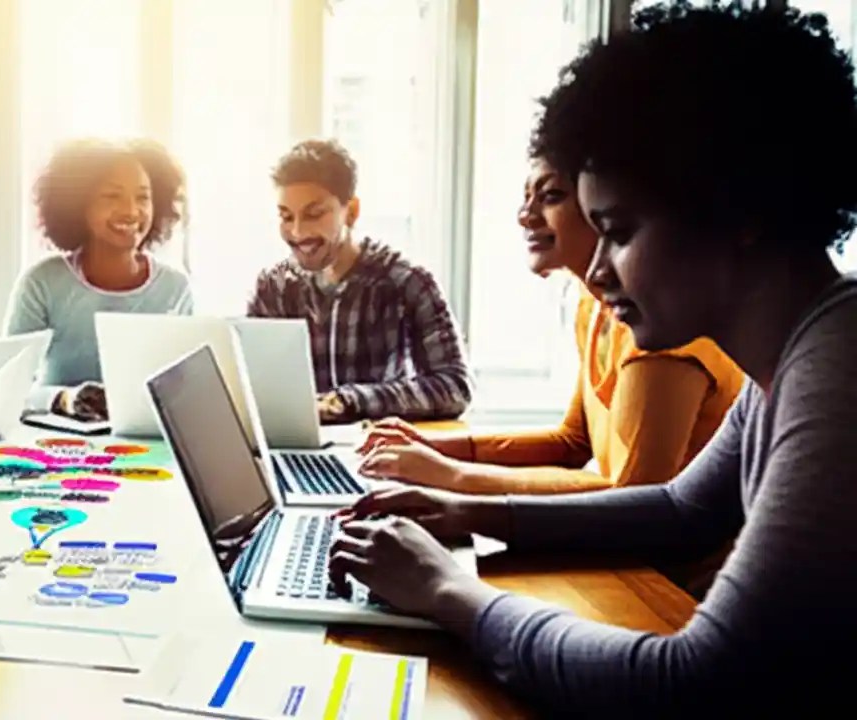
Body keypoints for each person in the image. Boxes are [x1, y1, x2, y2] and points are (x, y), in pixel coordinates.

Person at [328, 3, 857, 714]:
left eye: (621, 232)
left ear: (739, 213)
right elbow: (680, 509)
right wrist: (467, 511)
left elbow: (699, 681)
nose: (600, 270)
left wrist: (450, 592)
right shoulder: (792, 356)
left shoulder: (839, 372)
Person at [355, 156, 744, 494]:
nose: (525, 215)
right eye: (526, 197)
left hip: (666, 577)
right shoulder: (593, 308)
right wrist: (435, 449)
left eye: (551, 196)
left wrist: (454, 476)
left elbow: (635, 495)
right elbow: (572, 443)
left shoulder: (661, 329)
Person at [247, 139, 472, 424]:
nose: (297, 231)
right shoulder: (272, 288)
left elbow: (455, 388)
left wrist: (346, 401)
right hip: (297, 456)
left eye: (314, 214)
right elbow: (249, 388)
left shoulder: (408, 283)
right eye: (286, 216)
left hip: (382, 455)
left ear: (351, 211)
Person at [5, 137, 193, 421]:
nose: (131, 211)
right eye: (112, 196)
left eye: (143, 197)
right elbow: (6, 388)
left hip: (144, 443)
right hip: (55, 443)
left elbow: (184, 388)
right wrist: (64, 399)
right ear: (80, 204)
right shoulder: (41, 283)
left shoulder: (175, 288)